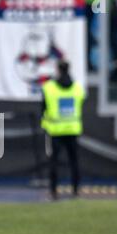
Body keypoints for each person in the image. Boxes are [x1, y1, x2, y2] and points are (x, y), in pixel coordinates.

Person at [41, 60, 86, 200]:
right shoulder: (78, 88)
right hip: (73, 128)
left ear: (57, 69)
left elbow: (43, 108)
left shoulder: (49, 88)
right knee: (74, 161)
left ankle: (54, 192)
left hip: (55, 130)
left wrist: (45, 123)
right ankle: (76, 191)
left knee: (53, 162)